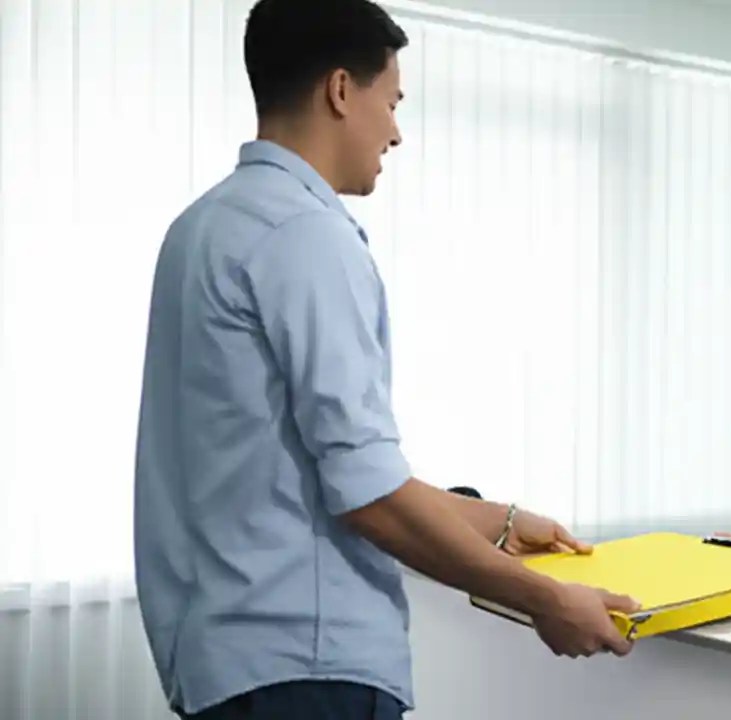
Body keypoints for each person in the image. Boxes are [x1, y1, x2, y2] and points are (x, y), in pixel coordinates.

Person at [133, 1, 636, 718]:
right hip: (304, 673)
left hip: (227, 666)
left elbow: (314, 474)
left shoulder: (203, 229)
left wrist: (497, 518)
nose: (396, 131)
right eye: (392, 101)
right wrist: (546, 600)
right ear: (341, 90)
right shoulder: (306, 236)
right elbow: (366, 494)